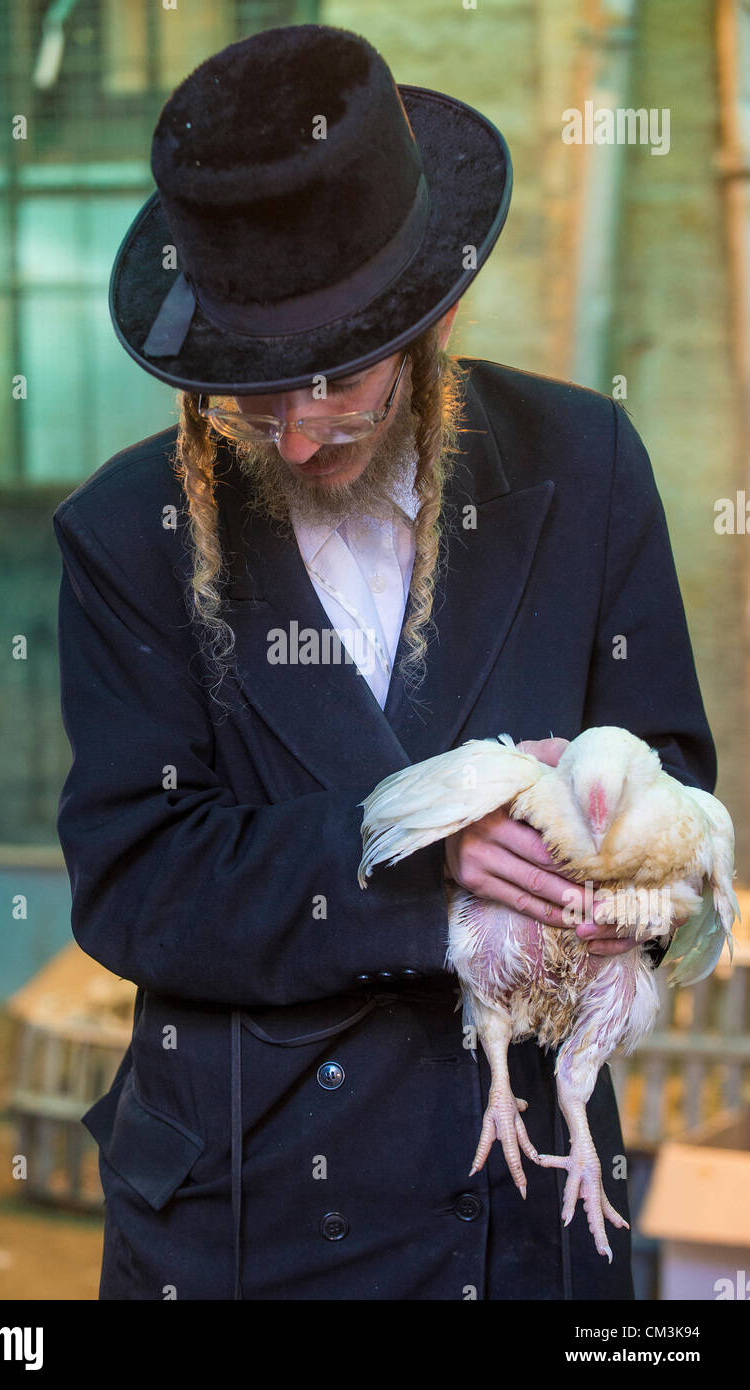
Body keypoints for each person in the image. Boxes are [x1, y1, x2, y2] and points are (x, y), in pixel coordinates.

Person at [53, 24, 716, 1300]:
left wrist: (601, 849)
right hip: (251, 1217)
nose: (300, 435)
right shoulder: (127, 535)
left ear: (435, 308)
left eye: (340, 380)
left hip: (519, 1215)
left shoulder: (585, 468)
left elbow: (672, 776)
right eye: (256, 389)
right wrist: (437, 860)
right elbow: (134, 878)